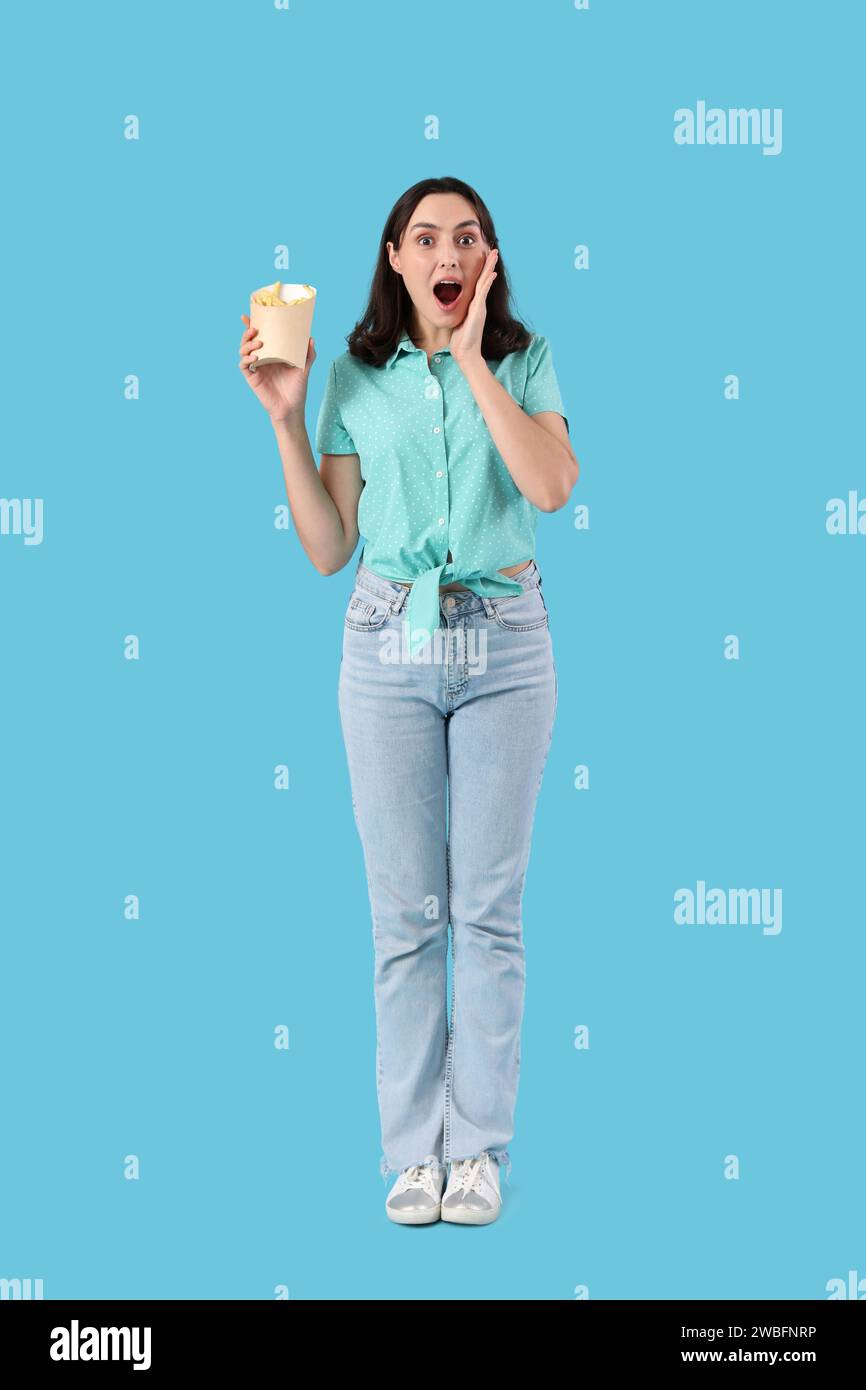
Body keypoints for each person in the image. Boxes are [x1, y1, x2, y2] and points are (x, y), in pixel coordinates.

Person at [238, 176, 578, 1226]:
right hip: (385, 645)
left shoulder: (522, 359)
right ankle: (410, 1153)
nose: (446, 252)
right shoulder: (352, 373)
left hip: (503, 643)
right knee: (403, 918)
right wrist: (287, 422)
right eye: (425, 237)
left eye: (466, 239)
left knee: (485, 910)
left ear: (486, 263)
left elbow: (551, 486)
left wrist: (474, 361)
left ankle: (473, 1147)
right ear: (394, 258)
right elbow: (330, 549)